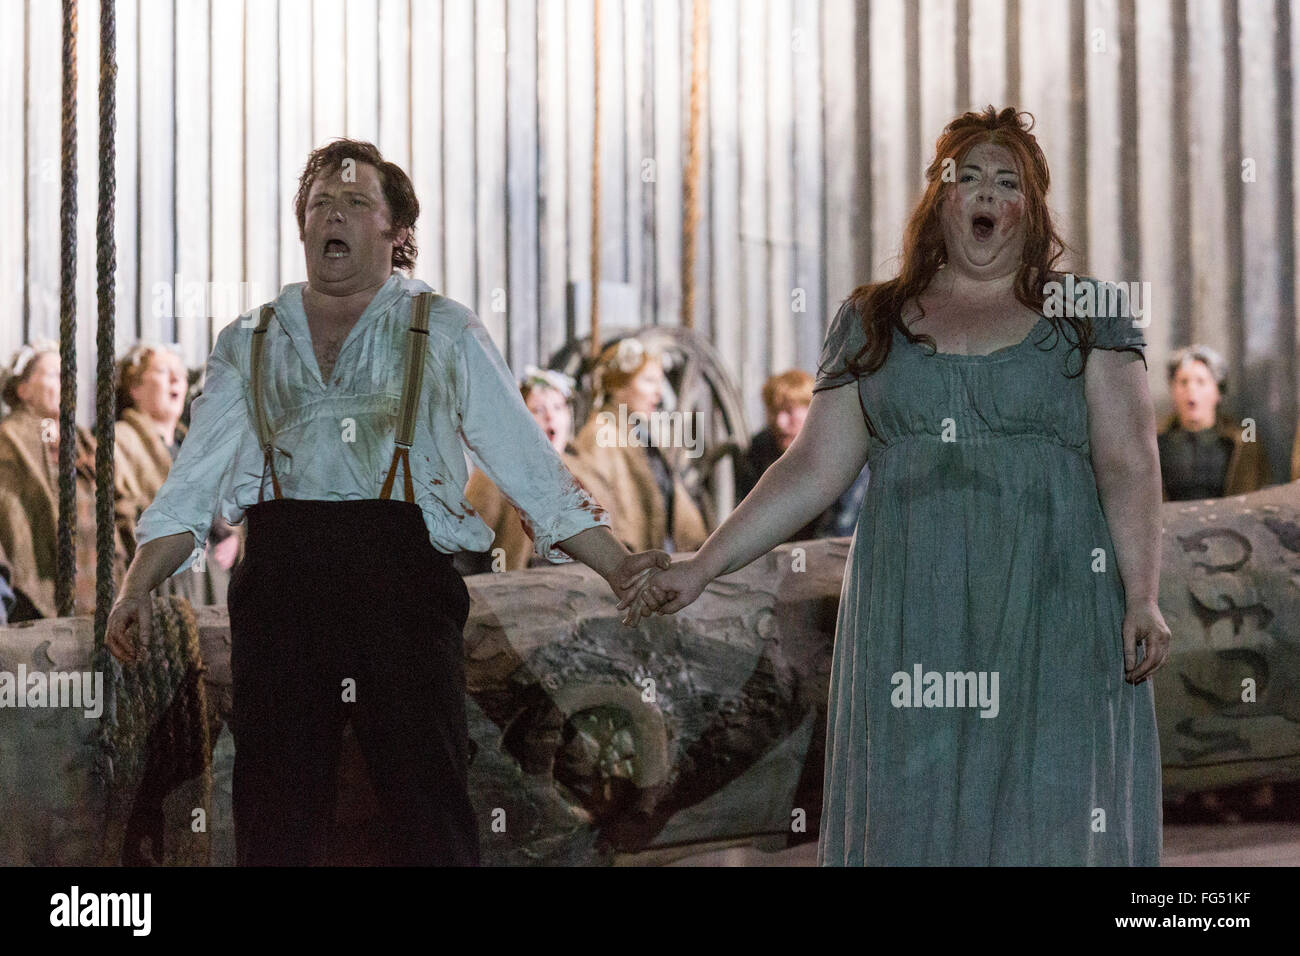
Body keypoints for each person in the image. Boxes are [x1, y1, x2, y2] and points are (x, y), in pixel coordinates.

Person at [625, 107, 1170, 865]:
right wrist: (699, 566)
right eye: (967, 177)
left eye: (1007, 181)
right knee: (913, 812)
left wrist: (1142, 594)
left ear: (1031, 207)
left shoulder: (1088, 314)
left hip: (1057, 608)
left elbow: (1132, 465)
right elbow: (811, 469)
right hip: (914, 617)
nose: (986, 192)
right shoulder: (874, 318)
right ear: (940, 199)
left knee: (1053, 809)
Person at [105, 138, 667, 866]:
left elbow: (530, 467)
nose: (331, 215)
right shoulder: (250, 340)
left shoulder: (445, 330)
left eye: (354, 202)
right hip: (281, 587)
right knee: (275, 812)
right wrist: (136, 585)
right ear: (302, 226)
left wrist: (617, 565)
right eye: (318, 205)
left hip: (401, 587)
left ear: (395, 232)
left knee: (426, 805)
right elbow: (191, 484)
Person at [0, 341, 131, 621]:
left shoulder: (85, 443)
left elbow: (120, 506)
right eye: (53, 375)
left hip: (98, 588)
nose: (67, 382)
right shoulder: (9, 442)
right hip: (40, 594)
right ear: (22, 390)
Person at [114, 343, 241, 605]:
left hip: (213, 582)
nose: (176, 380)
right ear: (135, 388)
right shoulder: (120, 442)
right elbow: (120, 511)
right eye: (163, 371)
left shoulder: (194, 444)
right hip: (166, 586)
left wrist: (234, 538)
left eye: (181, 375)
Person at [460, 366, 612, 574]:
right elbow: (465, 552)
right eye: (538, 410)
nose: (551, 417)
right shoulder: (494, 475)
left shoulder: (584, 470)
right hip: (521, 593)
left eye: (559, 407)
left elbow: (614, 536)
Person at [571, 338, 709, 554]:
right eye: (648, 381)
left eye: (660, 382)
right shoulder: (600, 435)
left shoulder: (640, 434)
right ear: (618, 384)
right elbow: (597, 508)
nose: (659, 393)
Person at [735, 369, 869, 540]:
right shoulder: (761, 449)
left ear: (813, 410)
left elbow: (840, 533)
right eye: (773, 412)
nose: (780, 423)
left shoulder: (842, 450)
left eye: (789, 411)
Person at [1156, 344, 1270, 500]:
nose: (1191, 389)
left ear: (1218, 391)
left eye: (1201, 382)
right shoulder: (1153, 442)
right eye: (1183, 382)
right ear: (1173, 390)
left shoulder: (1243, 442)